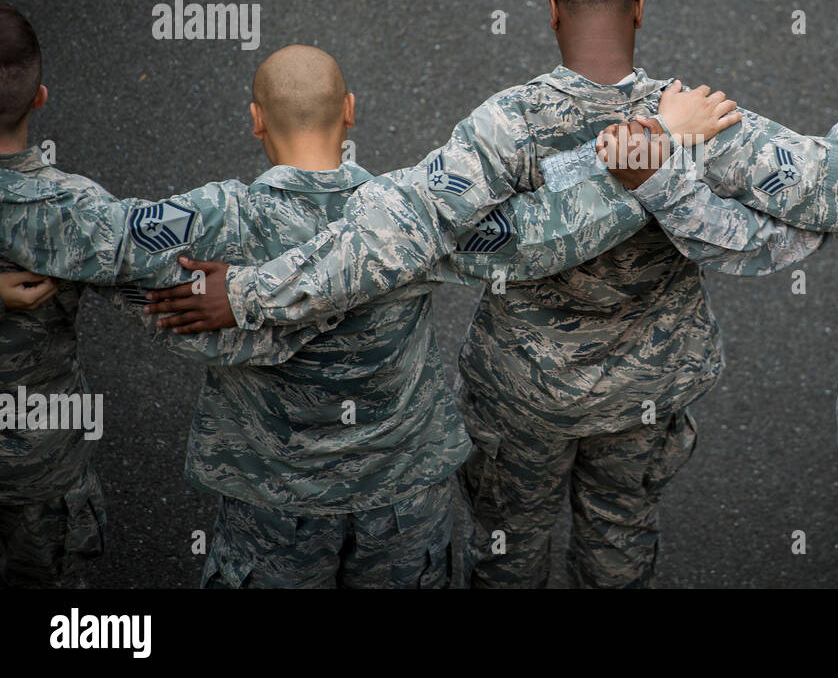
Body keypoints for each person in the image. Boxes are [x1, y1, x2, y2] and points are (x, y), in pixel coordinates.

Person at [147, 0, 838, 587]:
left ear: (549, 14)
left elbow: (404, 228)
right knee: (620, 548)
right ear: (641, 12)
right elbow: (833, 186)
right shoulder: (698, 116)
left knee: (507, 549)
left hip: (521, 399)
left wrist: (251, 296)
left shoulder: (504, 125)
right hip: (645, 398)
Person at [0, 38, 652, 587]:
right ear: (350, 111)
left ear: (256, 120)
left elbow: (83, 236)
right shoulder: (409, 216)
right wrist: (625, 167)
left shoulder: (208, 221)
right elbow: (536, 233)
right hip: (400, 498)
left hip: (269, 502)